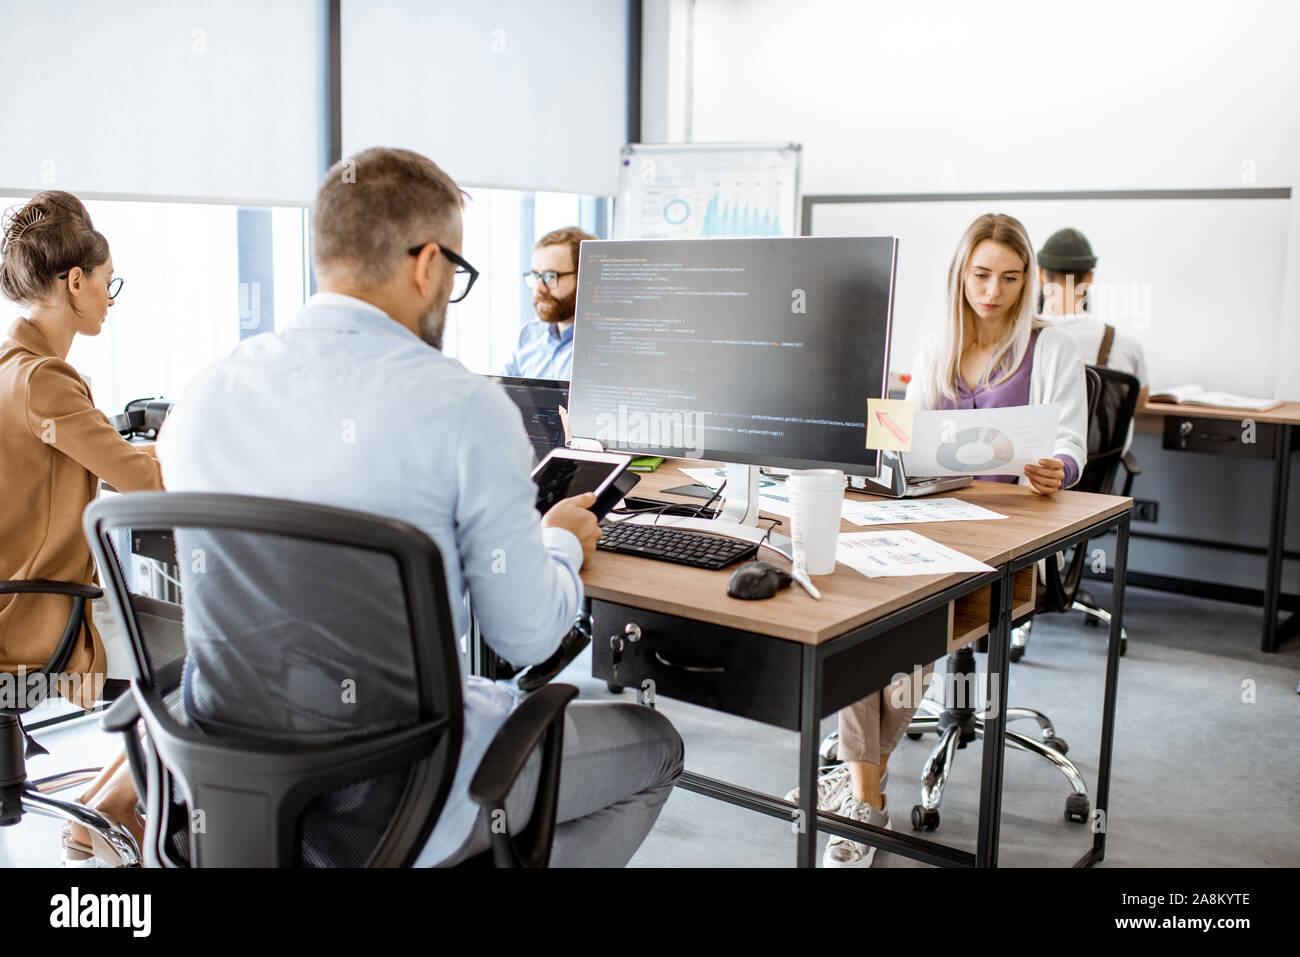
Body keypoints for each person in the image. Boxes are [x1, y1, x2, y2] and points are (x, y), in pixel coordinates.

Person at [157, 147, 683, 867]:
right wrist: (559, 540)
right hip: (406, 792)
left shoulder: (203, 397)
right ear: (428, 264)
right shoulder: (463, 406)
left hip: (233, 783)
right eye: (456, 274)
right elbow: (529, 639)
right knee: (655, 746)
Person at [797, 212, 1088, 868]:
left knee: (896, 633)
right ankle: (865, 791)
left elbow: (1071, 443)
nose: (994, 290)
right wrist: (882, 430)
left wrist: (1056, 468)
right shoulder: (939, 345)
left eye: (1011, 278)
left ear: (1027, 280)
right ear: (961, 273)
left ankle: (862, 795)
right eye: (982, 274)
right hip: (930, 520)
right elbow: (910, 445)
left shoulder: (1052, 348)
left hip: (1007, 539)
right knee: (858, 624)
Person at [0, 190, 163, 861]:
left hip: (14, 598)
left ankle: (99, 805)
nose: (110, 296)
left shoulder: (12, 368)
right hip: (35, 620)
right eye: (106, 280)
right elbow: (141, 480)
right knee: (209, 653)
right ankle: (110, 808)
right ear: (74, 281)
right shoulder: (44, 381)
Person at [1037, 227, 1148, 452]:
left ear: (1040, 275)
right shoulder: (1125, 345)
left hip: (1032, 475)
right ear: (1088, 278)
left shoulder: (1019, 339)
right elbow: (1138, 403)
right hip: (1097, 477)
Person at [502, 226, 595, 379]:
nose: (539, 288)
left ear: (584, 276)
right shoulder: (528, 336)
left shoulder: (604, 347)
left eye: (550, 276)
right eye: (535, 275)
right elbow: (502, 395)